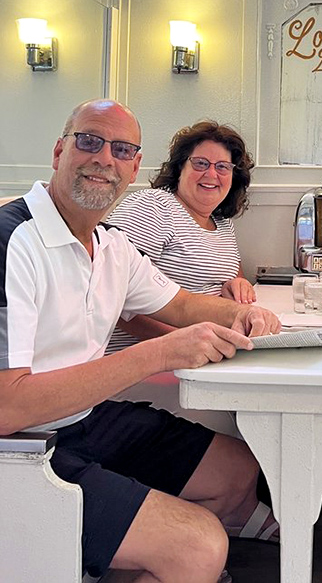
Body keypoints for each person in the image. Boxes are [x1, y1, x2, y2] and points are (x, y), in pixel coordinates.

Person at [0, 99, 281, 583]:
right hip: (19, 449)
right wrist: (162, 351)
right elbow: (7, 407)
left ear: (133, 168)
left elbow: (181, 304)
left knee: (237, 468)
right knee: (200, 547)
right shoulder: (12, 241)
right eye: (89, 140)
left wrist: (242, 311)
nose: (103, 158)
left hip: (84, 419)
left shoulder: (110, 244)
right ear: (58, 151)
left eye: (122, 149)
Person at [107, 120, 257, 354]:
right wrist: (183, 340)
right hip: (145, 357)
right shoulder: (153, 206)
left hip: (208, 351)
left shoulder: (223, 223)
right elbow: (110, 298)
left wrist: (238, 284)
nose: (211, 174)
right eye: (200, 163)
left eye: (222, 167)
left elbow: (234, 275)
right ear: (179, 168)